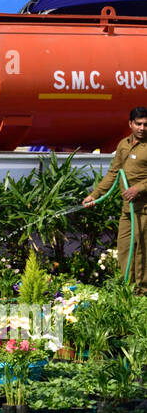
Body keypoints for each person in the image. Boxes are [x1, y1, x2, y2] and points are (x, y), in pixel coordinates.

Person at [82, 106, 147, 295]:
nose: (142, 128)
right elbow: (113, 173)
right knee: (124, 248)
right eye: (139, 124)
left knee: (142, 252)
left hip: (144, 208)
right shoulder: (123, 145)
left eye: (146, 125)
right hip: (128, 210)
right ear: (130, 124)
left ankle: (141, 294)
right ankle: (127, 289)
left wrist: (138, 188)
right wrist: (95, 195)